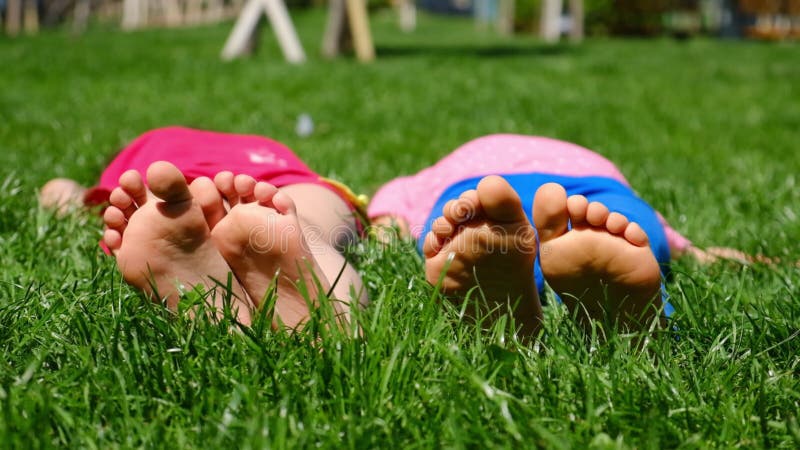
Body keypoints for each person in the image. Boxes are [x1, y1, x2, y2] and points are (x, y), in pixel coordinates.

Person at [368, 134, 761, 338]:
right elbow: (683, 244)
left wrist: (384, 235)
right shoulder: (588, 160)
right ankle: (636, 323)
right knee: (623, 228)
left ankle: (500, 308)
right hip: (594, 190)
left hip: (471, 189)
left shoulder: (442, 169)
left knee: (469, 230)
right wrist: (725, 256)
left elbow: (392, 202)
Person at [40, 126, 368, 330]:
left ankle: (219, 299)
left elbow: (64, 195)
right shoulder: (261, 144)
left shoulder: (142, 148)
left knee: (158, 210)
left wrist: (58, 192)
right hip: (275, 181)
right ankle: (337, 317)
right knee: (307, 224)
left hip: (166, 192)